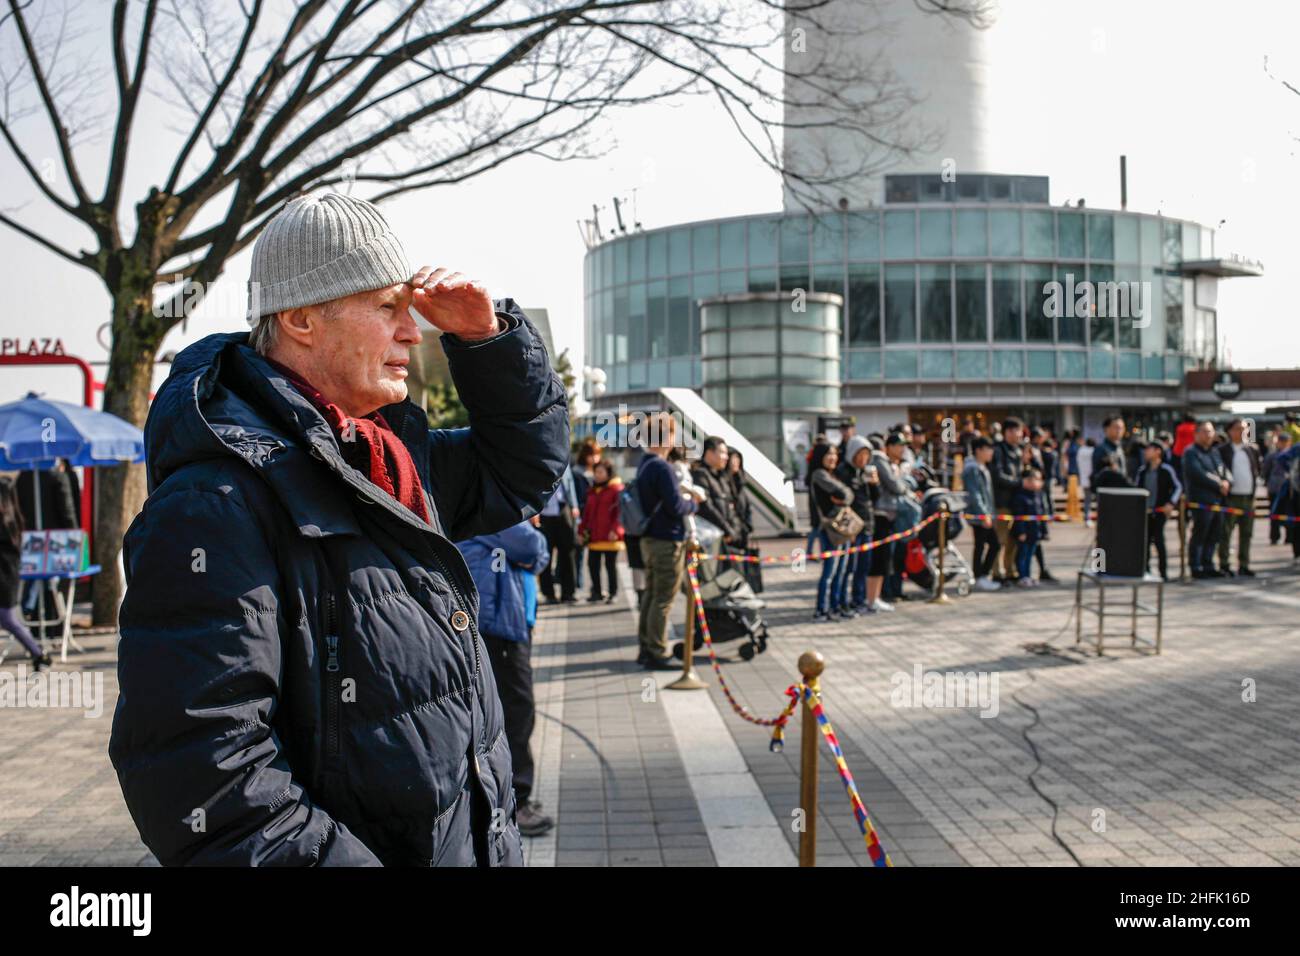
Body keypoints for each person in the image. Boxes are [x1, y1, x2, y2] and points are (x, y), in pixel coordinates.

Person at [109, 193, 569, 867]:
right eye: (387, 307)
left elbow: (525, 467)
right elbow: (204, 777)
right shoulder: (214, 503)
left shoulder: (388, 460)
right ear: (300, 319)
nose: (413, 332)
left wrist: (489, 338)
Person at [456, 518, 553, 837]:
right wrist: (527, 542)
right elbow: (533, 546)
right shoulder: (496, 508)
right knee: (516, 712)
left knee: (507, 713)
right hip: (498, 627)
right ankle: (513, 804)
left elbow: (536, 558)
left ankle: (508, 801)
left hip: (504, 622)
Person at [635, 413, 700, 670]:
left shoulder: (644, 464)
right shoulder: (662, 467)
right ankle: (657, 651)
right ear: (668, 437)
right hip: (667, 539)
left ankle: (646, 646)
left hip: (649, 538)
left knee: (651, 594)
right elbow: (675, 506)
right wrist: (693, 503)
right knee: (663, 598)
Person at [0, 474, 52, 671]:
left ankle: (39, 653)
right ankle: (39, 653)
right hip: (7, 576)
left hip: (5, 578)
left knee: (8, 619)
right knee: (8, 619)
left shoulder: (6, 521)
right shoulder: (10, 519)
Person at [808, 443, 853, 621]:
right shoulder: (819, 474)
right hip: (829, 529)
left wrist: (845, 496)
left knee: (840, 571)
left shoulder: (832, 474)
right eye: (828, 454)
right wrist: (845, 496)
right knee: (829, 572)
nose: (833, 457)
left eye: (834, 454)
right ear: (820, 456)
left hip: (841, 528)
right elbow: (844, 493)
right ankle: (821, 609)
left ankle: (835, 606)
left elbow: (847, 494)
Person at [1182, 419, 1232, 579]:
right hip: (1201, 501)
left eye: (1210, 431)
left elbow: (1224, 471)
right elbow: (1197, 473)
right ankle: (1196, 566)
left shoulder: (1214, 451)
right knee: (1200, 533)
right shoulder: (1191, 452)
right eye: (1204, 431)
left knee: (1215, 534)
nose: (1208, 435)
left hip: (1218, 501)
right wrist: (1219, 484)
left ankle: (1208, 564)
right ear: (1196, 434)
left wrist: (1227, 482)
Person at [833, 434, 877, 615]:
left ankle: (859, 599)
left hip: (867, 525)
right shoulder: (843, 472)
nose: (863, 458)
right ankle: (842, 601)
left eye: (866, 454)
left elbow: (874, 499)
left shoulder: (865, 472)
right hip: (851, 527)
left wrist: (875, 484)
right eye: (860, 454)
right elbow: (841, 501)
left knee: (864, 566)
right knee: (847, 567)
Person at [867, 434, 911, 612]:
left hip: (889, 515)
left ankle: (876, 597)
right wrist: (903, 482)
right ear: (888, 446)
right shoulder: (880, 461)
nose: (902, 450)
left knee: (886, 558)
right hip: (880, 515)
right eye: (899, 446)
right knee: (879, 558)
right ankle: (873, 598)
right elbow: (895, 486)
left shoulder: (888, 463)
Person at [1216, 418, 1260, 577]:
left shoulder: (1252, 449)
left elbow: (1257, 470)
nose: (1242, 432)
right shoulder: (1222, 450)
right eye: (1238, 429)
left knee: (1247, 533)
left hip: (1248, 497)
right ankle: (1224, 563)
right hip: (1231, 498)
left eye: (1244, 429)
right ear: (1230, 431)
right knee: (1225, 531)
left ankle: (1244, 563)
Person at [1135, 442, 1182, 580]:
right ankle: (1145, 569)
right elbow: (1137, 488)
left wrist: (1171, 503)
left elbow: (1177, 487)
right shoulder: (1142, 471)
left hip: (1160, 511)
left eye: (1148, 450)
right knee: (1145, 541)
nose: (1145, 452)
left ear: (1158, 452)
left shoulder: (1166, 470)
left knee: (1159, 541)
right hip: (1145, 512)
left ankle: (1163, 572)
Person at [579, 459, 624, 602]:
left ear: (608, 473)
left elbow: (620, 512)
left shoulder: (617, 489)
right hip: (594, 536)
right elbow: (586, 513)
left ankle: (613, 593)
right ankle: (596, 592)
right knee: (592, 565)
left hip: (610, 536)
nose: (597, 475)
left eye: (600, 472)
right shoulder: (592, 491)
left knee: (610, 566)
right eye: (595, 472)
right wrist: (581, 531)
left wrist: (616, 530)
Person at [990, 417, 1026, 584]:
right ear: (1004, 433)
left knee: (1014, 540)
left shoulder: (1019, 451)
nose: (1015, 434)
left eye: (1017, 430)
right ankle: (997, 572)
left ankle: (1010, 570)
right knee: (1000, 539)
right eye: (1011, 430)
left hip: (1017, 503)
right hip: (1002, 502)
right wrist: (1019, 482)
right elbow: (997, 476)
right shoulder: (998, 450)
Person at [962, 436, 1000, 592]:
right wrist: (984, 514)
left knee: (984, 545)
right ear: (978, 450)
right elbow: (975, 493)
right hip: (979, 515)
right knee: (988, 545)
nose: (990, 452)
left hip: (985, 513)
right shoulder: (972, 468)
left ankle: (980, 576)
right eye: (987, 449)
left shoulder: (981, 467)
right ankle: (980, 576)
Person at [538, 463, 580, 603]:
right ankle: (549, 594)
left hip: (564, 511)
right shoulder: (536, 460)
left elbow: (570, 484)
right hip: (543, 513)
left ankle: (568, 592)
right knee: (545, 555)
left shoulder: (564, 461)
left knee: (568, 553)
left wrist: (574, 505)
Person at [690, 437, 743, 548]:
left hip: (726, 539)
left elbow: (731, 508)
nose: (726, 457)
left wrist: (735, 531)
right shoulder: (700, 475)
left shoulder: (722, 477)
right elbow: (707, 507)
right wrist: (727, 530)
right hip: (710, 539)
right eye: (723, 453)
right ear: (709, 453)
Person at [1011, 469, 1047, 588]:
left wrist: (1043, 531)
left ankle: (1028, 575)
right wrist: (1021, 531)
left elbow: (1041, 515)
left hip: (1034, 532)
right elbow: (1019, 517)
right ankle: (1023, 576)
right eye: (1036, 480)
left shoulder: (1038, 496)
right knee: (1023, 555)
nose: (1039, 483)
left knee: (1029, 556)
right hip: (1025, 532)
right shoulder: (1020, 497)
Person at [1264, 431, 1294, 547]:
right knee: (1274, 513)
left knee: (1289, 513)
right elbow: (1265, 470)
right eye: (1282, 441)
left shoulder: (1293, 454)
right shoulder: (1272, 455)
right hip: (1275, 488)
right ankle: (1274, 537)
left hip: (1289, 489)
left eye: (1286, 441)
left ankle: (1289, 537)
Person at [1078, 437, 1096, 527]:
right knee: (1096, 500)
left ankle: (1086, 518)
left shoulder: (1081, 450)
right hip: (1093, 478)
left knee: (1087, 500)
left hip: (1084, 478)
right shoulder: (1094, 451)